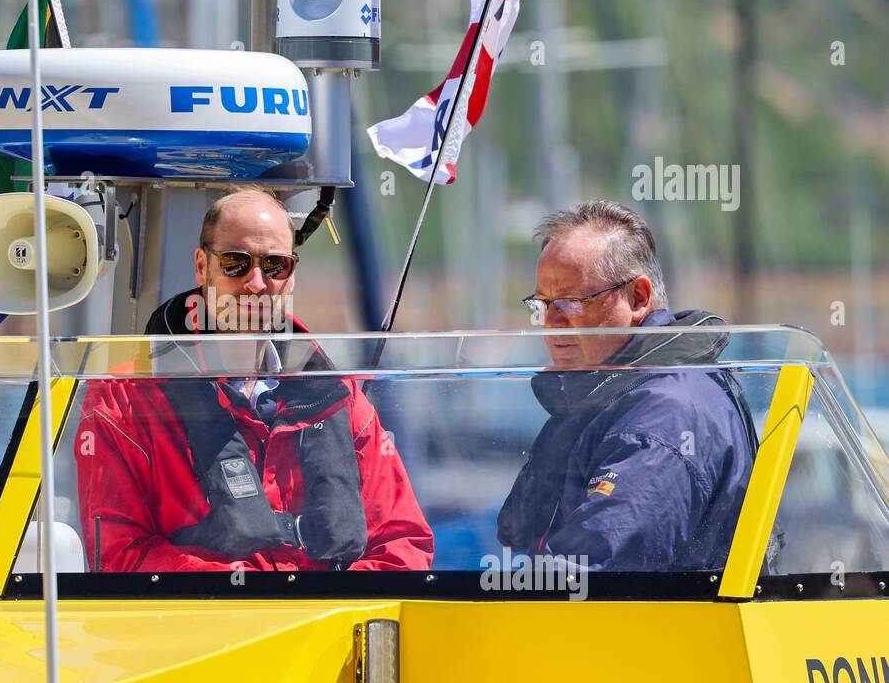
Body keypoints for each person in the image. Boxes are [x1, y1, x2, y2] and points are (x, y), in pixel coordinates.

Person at [76, 188, 433, 572]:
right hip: (212, 628)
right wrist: (254, 594)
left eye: (275, 265)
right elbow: (120, 557)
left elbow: (404, 545)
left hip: (326, 625)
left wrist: (322, 610)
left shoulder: (337, 396)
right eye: (235, 263)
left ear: (292, 275)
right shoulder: (122, 402)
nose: (256, 283)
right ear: (201, 266)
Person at [497, 201, 757, 571]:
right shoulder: (607, 392)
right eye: (543, 304)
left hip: (657, 630)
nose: (551, 324)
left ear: (638, 298)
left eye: (571, 302)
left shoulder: (662, 415)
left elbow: (589, 573)